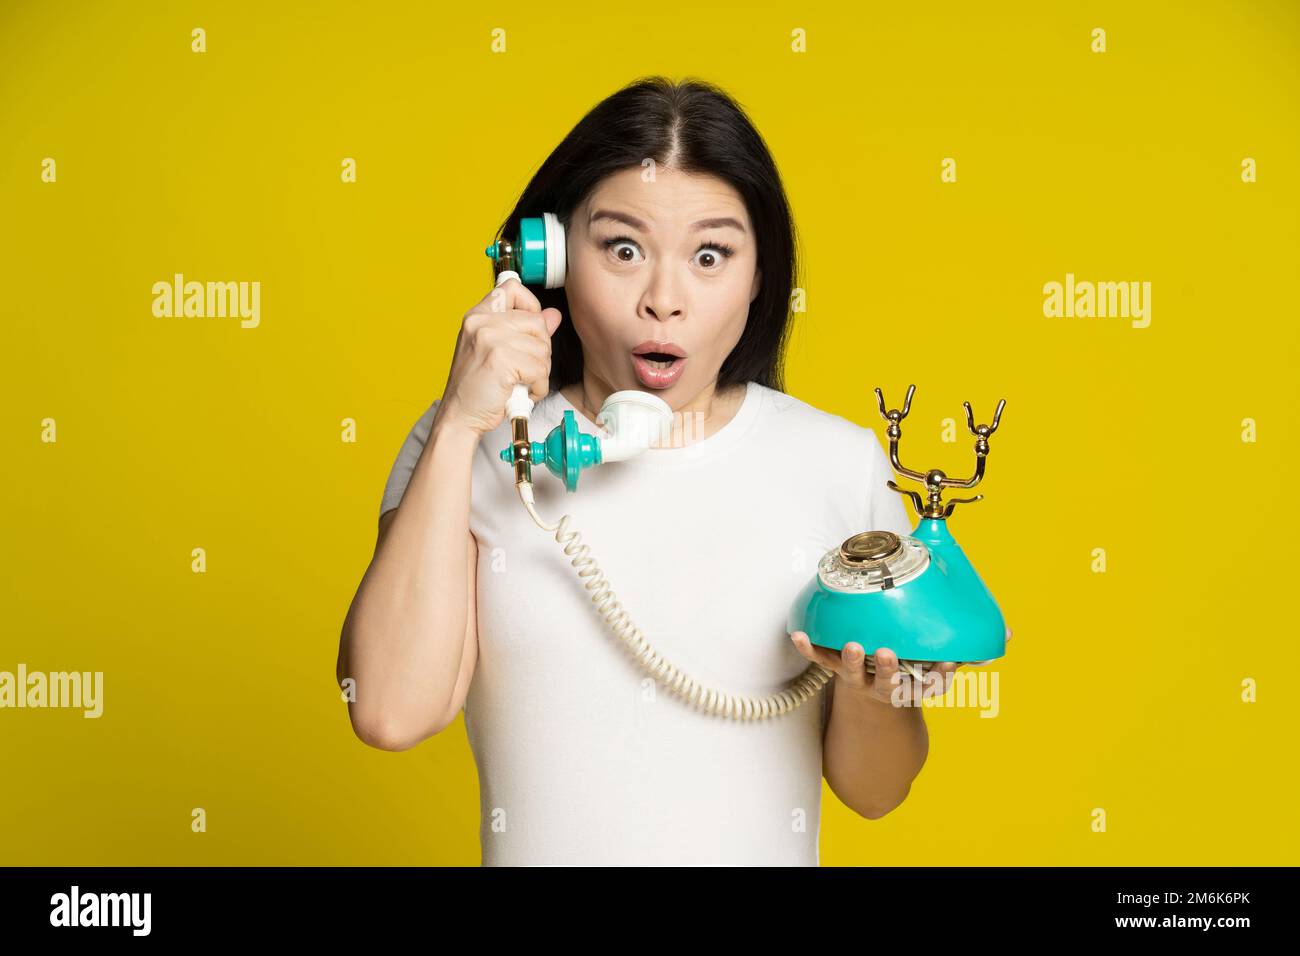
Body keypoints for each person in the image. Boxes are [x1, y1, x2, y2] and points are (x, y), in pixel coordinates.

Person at [335, 75, 985, 866]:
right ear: (548, 257)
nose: (664, 299)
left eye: (710, 255)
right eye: (622, 248)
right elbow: (390, 712)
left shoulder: (838, 463)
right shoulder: (474, 444)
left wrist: (876, 694)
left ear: (758, 277)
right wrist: (461, 420)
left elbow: (874, 793)